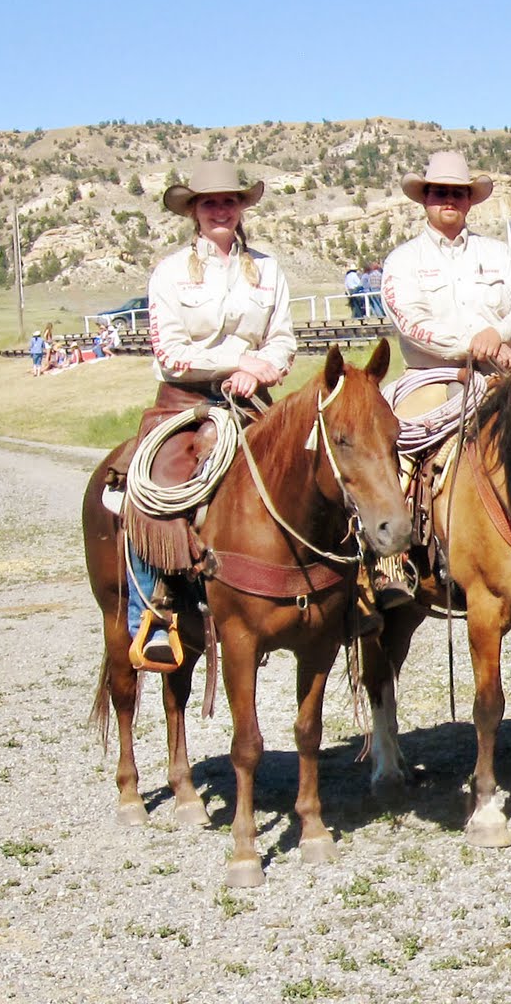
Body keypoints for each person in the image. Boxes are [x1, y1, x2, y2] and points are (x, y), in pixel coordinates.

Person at [125, 162, 297, 665]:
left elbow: (283, 337)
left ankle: (331, 592)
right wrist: (233, 365)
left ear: (242, 208)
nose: (220, 210)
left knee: (313, 470)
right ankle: (152, 612)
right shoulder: (170, 272)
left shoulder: (267, 269)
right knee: (152, 485)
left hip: (250, 398)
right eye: (209, 203)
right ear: (194, 212)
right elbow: (169, 352)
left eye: (229, 201)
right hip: (185, 400)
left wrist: (262, 368)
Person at [379, 152, 511, 601]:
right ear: (425, 200)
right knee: (398, 447)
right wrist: (472, 342)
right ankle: (392, 559)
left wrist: (500, 333)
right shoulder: (403, 261)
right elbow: (408, 319)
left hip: (503, 374)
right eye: (439, 192)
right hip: (433, 374)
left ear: (469, 201)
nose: (448, 200)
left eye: (457, 193)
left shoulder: (499, 255)